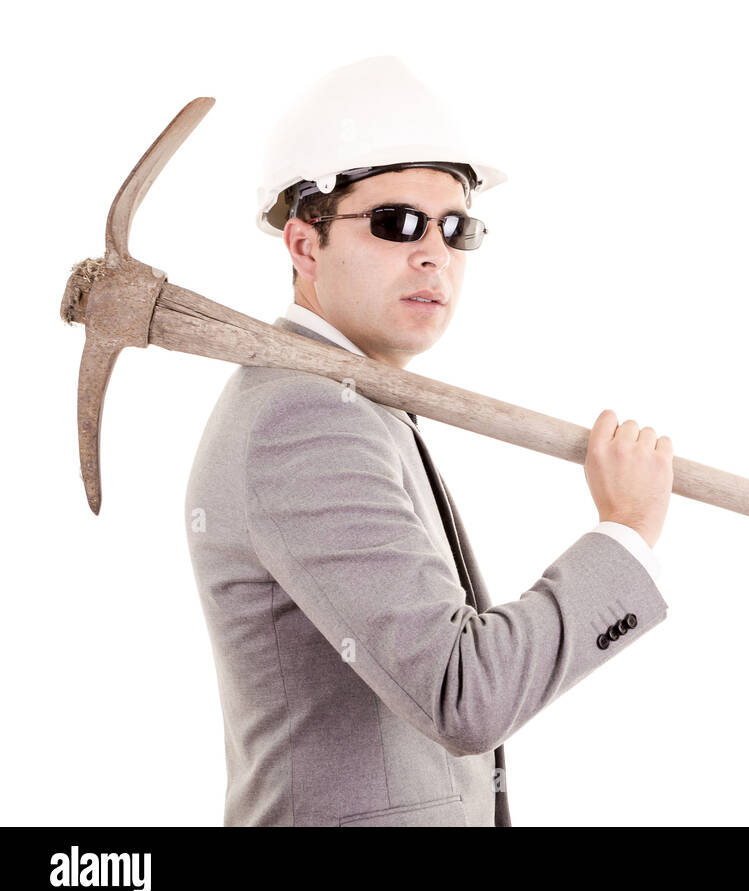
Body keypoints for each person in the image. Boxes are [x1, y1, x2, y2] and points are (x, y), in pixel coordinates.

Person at [185, 56, 673, 826]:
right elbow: (462, 693)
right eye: (397, 222)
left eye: (455, 228)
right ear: (304, 246)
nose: (433, 253)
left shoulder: (357, 401)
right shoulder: (305, 417)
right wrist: (625, 533)